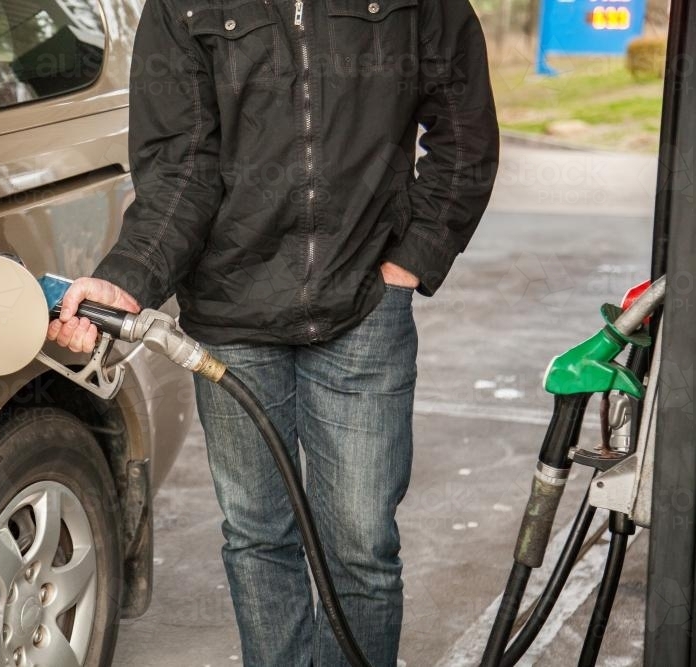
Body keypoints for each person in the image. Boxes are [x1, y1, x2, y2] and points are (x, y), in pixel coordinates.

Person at [49, 0, 499, 663]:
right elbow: (179, 173)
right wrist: (128, 277)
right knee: (259, 537)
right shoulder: (181, 6)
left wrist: (412, 260)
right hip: (232, 317)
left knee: (361, 545)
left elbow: (465, 131)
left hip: (363, 307)